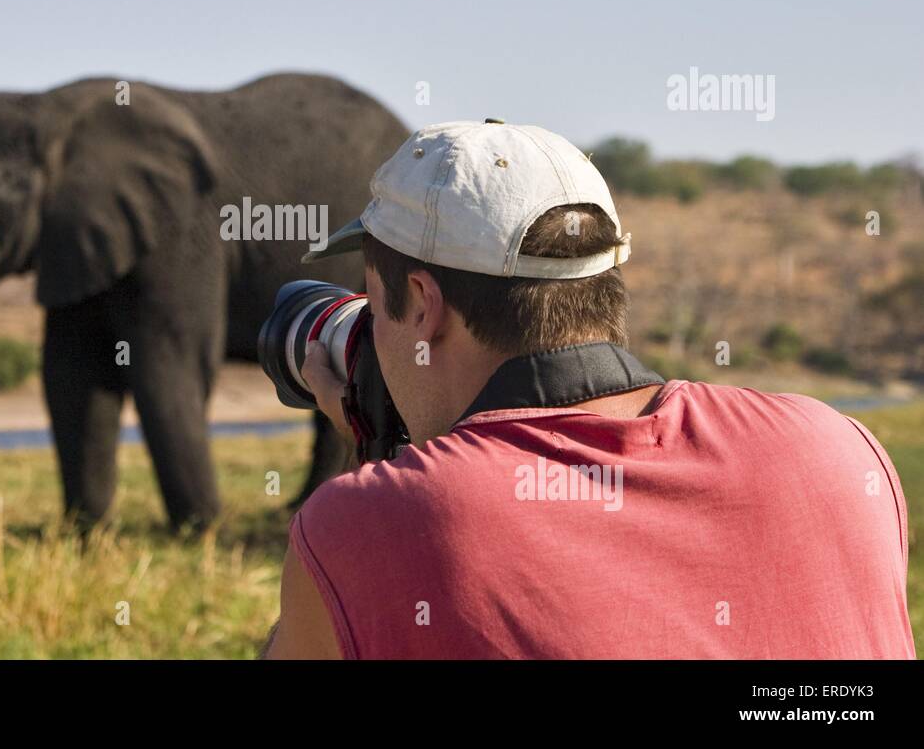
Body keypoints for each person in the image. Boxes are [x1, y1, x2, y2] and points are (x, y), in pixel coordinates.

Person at [261, 120, 914, 659]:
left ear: (423, 304)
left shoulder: (366, 526)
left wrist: (378, 481)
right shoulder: (837, 449)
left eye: (375, 306)